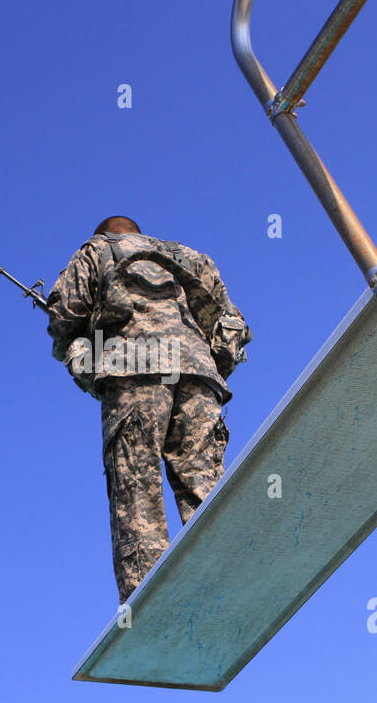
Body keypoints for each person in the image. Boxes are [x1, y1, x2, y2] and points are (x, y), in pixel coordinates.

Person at [46, 216, 252, 604]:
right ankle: (229, 576)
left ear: (104, 233)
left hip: (134, 365)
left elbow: (66, 314)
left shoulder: (95, 250)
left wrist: (74, 347)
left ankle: (148, 602)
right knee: (204, 483)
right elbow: (232, 322)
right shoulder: (188, 256)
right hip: (197, 372)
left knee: (136, 486)